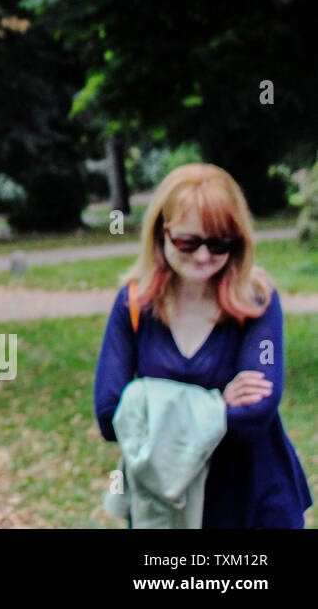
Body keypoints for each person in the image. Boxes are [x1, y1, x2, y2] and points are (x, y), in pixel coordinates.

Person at [94, 163, 311, 528]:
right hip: (166, 504)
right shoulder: (133, 305)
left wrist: (151, 404)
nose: (202, 255)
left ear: (238, 241)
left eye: (219, 243)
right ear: (161, 234)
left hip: (254, 498)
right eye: (187, 241)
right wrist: (217, 404)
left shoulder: (257, 300)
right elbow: (110, 417)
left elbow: (256, 415)